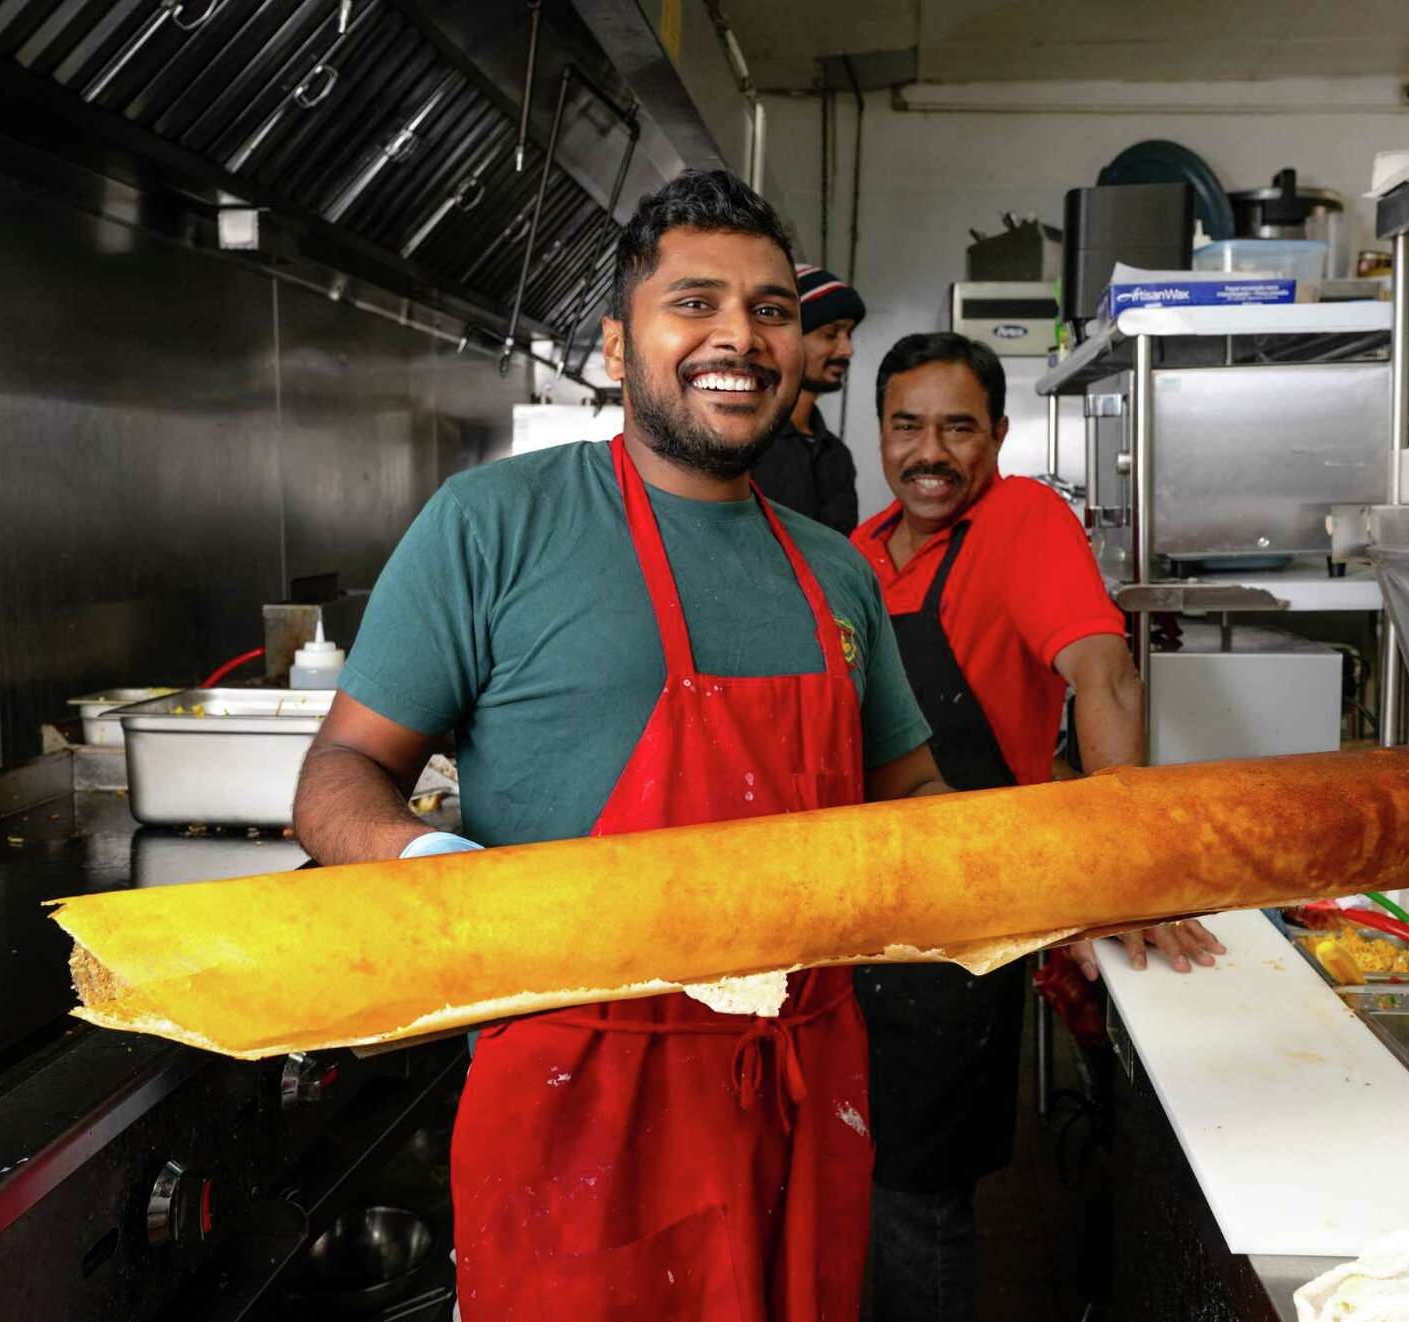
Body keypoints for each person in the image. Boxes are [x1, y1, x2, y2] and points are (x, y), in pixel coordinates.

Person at [292, 170, 945, 1321]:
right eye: (694, 302)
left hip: (804, 1087)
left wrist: (1087, 893)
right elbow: (342, 772)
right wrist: (417, 864)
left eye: (773, 310)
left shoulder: (838, 568)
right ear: (615, 343)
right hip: (578, 1103)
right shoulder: (493, 523)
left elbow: (920, 802)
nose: (739, 335)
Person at [847, 331, 1226, 1322]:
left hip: (964, 926)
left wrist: (1122, 854)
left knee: (921, 1194)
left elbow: (1102, 668)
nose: (932, 451)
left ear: (1000, 436)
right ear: (878, 432)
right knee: (857, 1180)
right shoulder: (854, 556)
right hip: (853, 911)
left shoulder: (1022, 519)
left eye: (959, 427)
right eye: (907, 425)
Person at [747, 263, 864, 533]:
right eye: (831, 334)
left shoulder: (836, 454)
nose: (847, 349)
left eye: (849, 334)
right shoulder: (748, 443)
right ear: (789, 339)